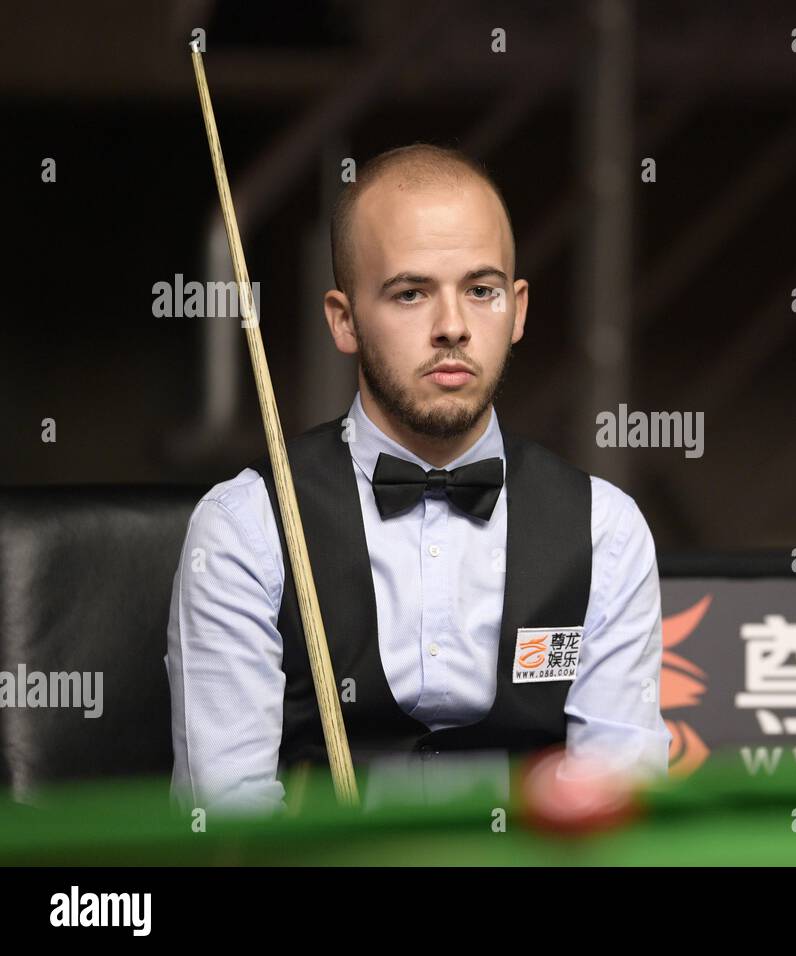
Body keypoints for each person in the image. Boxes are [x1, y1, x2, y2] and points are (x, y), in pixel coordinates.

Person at [166, 143, 672, 814]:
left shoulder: (603, 528)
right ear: (344, 321)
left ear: (517, 310)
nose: (453, 327)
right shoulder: (247, 527)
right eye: (410, 294)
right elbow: (227, 817)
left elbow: (621, 802)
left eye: (481, 291)